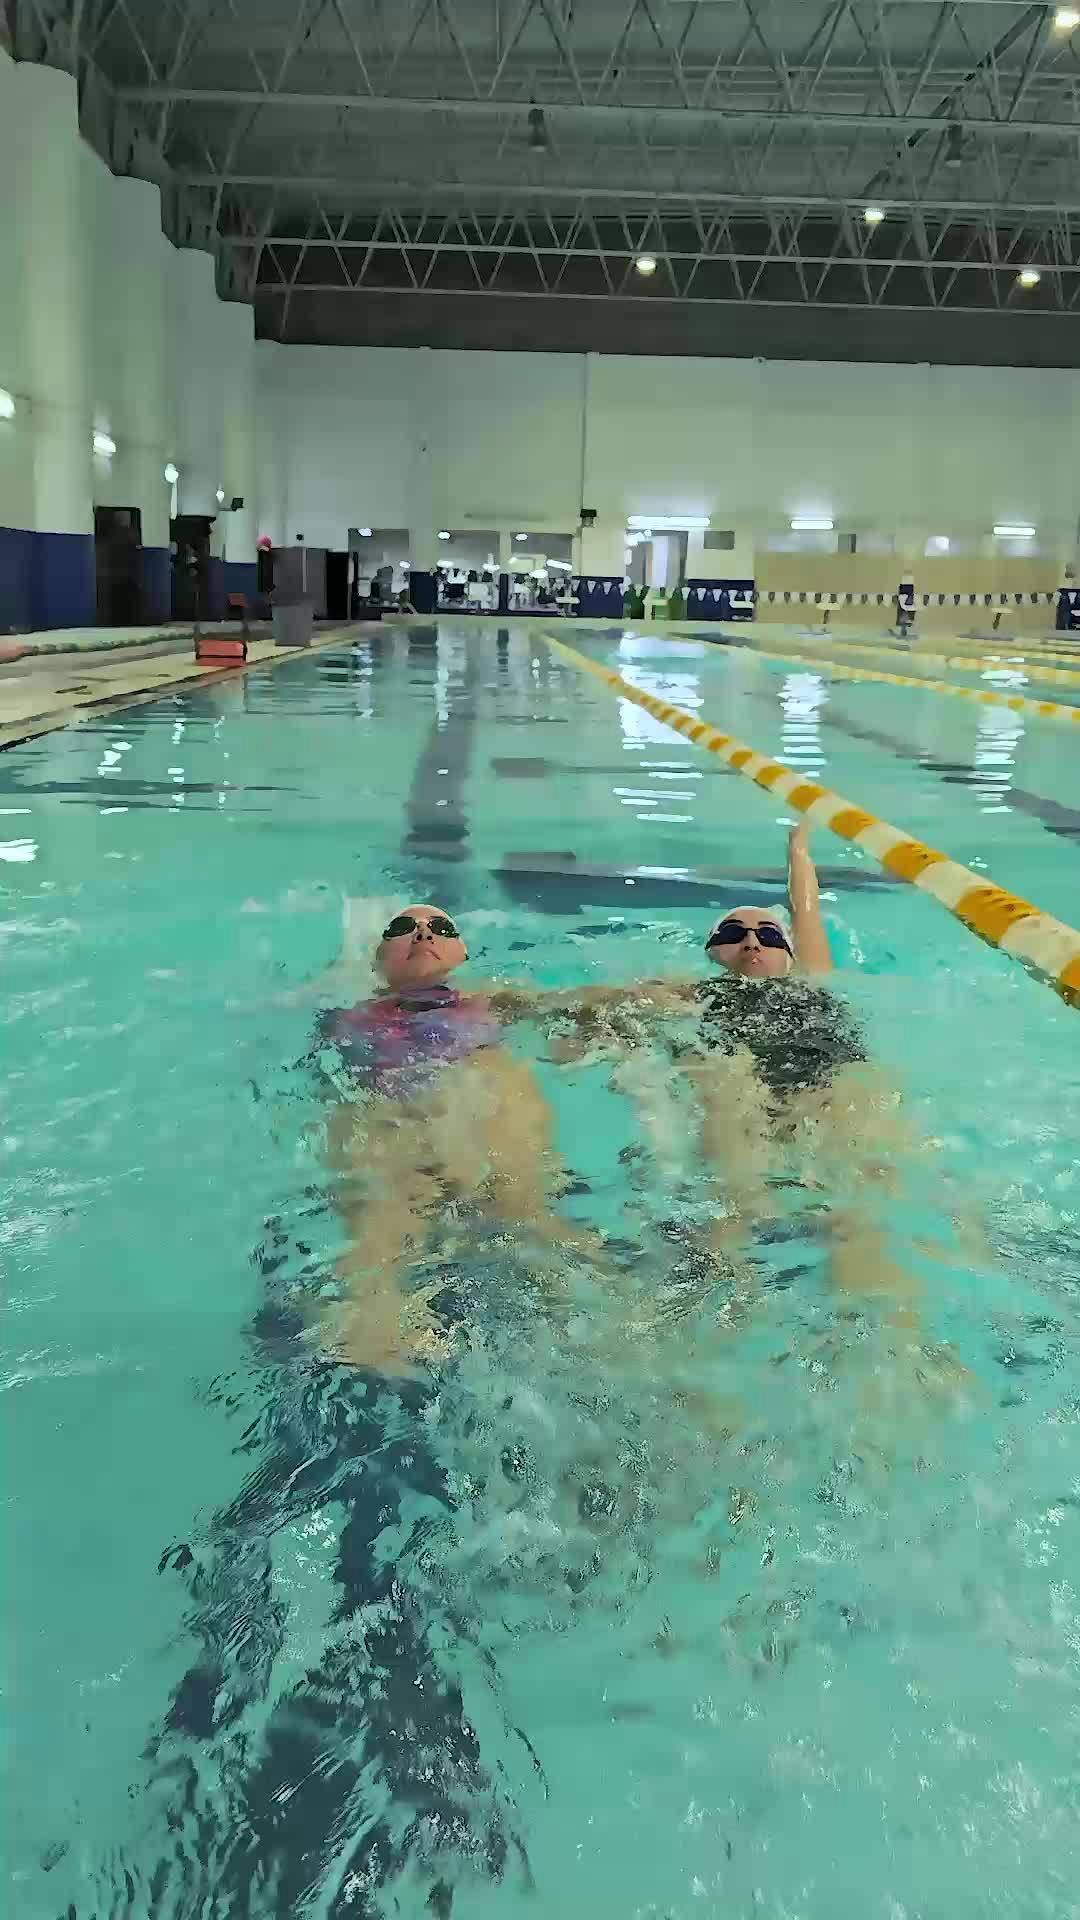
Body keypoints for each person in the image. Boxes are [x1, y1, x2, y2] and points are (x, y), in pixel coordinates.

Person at [312, 903, 591, 1372]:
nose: (423, 935)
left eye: (440, 928)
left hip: (480, 1129)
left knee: (531, 1222)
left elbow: (582, 1002)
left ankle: (601, 1332)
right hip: (394, 1133)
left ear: (461, 952)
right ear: (378, 955)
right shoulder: (345, 1012)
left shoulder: (493, 999)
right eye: (404, 928)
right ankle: (375, 1341)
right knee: (377, 1239)